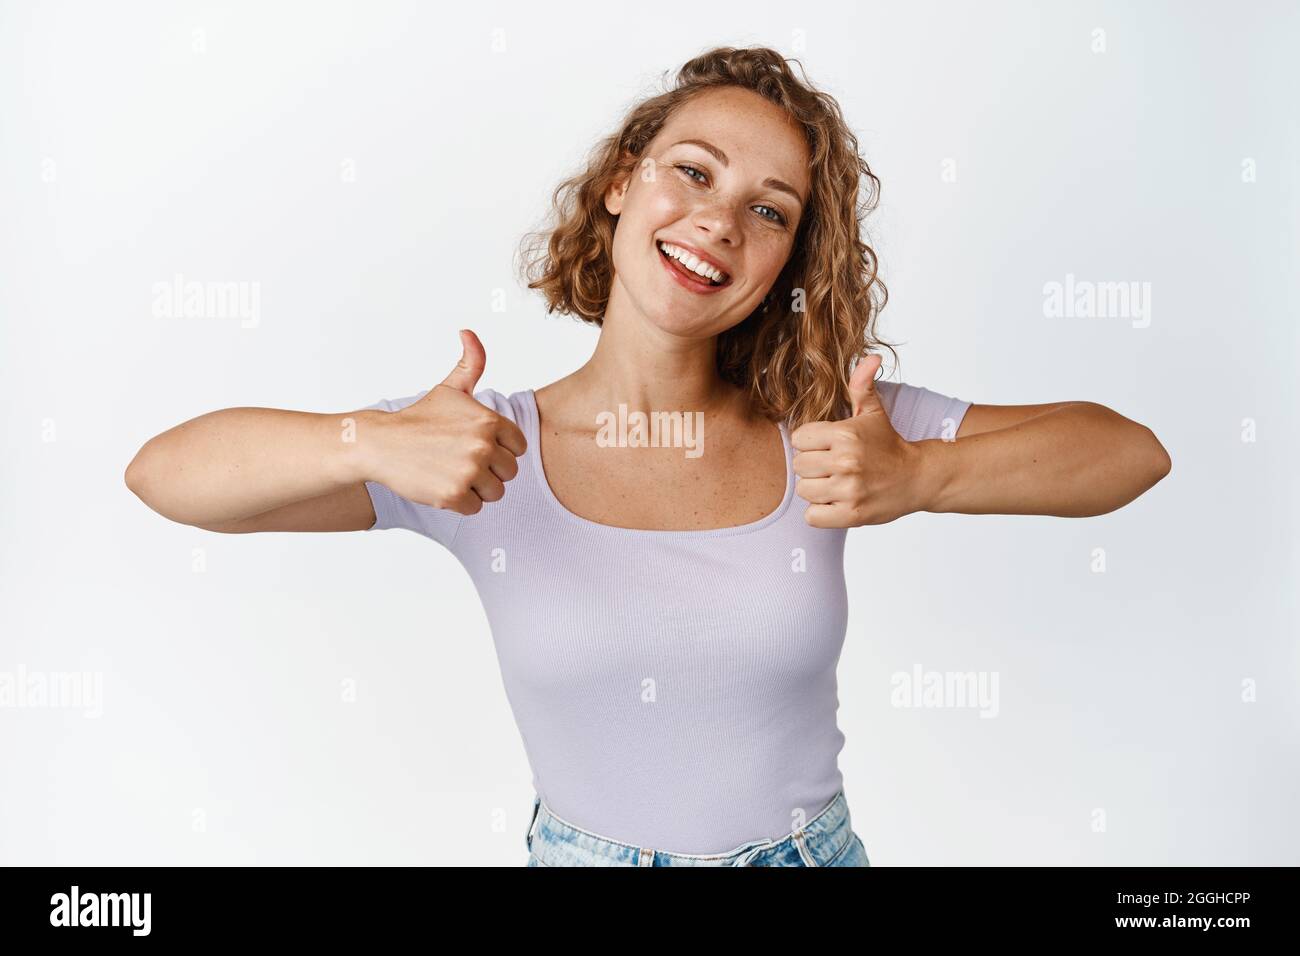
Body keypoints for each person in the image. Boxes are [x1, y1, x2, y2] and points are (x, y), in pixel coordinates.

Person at [124, 46, 1171, 866]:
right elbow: (164, 474)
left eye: (769, 210)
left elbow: (1129, 453)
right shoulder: (475, 448)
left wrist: (923, 476)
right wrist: (368, 438)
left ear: (785, 262)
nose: (718, 220)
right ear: (623, 183)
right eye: (692, 171)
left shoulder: (831, 419)